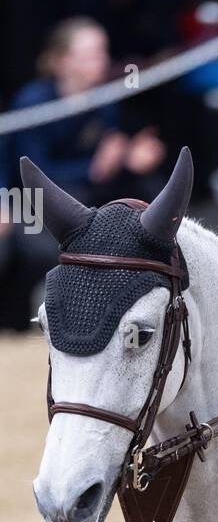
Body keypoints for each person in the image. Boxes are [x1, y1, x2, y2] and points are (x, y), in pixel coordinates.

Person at [0, 17, 167, 332]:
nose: (102, 61)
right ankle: (20, 319)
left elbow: (109, 159)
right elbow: (32, 172)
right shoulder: (33, 102)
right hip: (27, 201)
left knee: (146, 197)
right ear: (63, 62)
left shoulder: (105, 101)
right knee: (43, 248)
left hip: (83, 198)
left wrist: (131, 156)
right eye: (91, 54)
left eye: (103, 52)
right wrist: (93, 168)